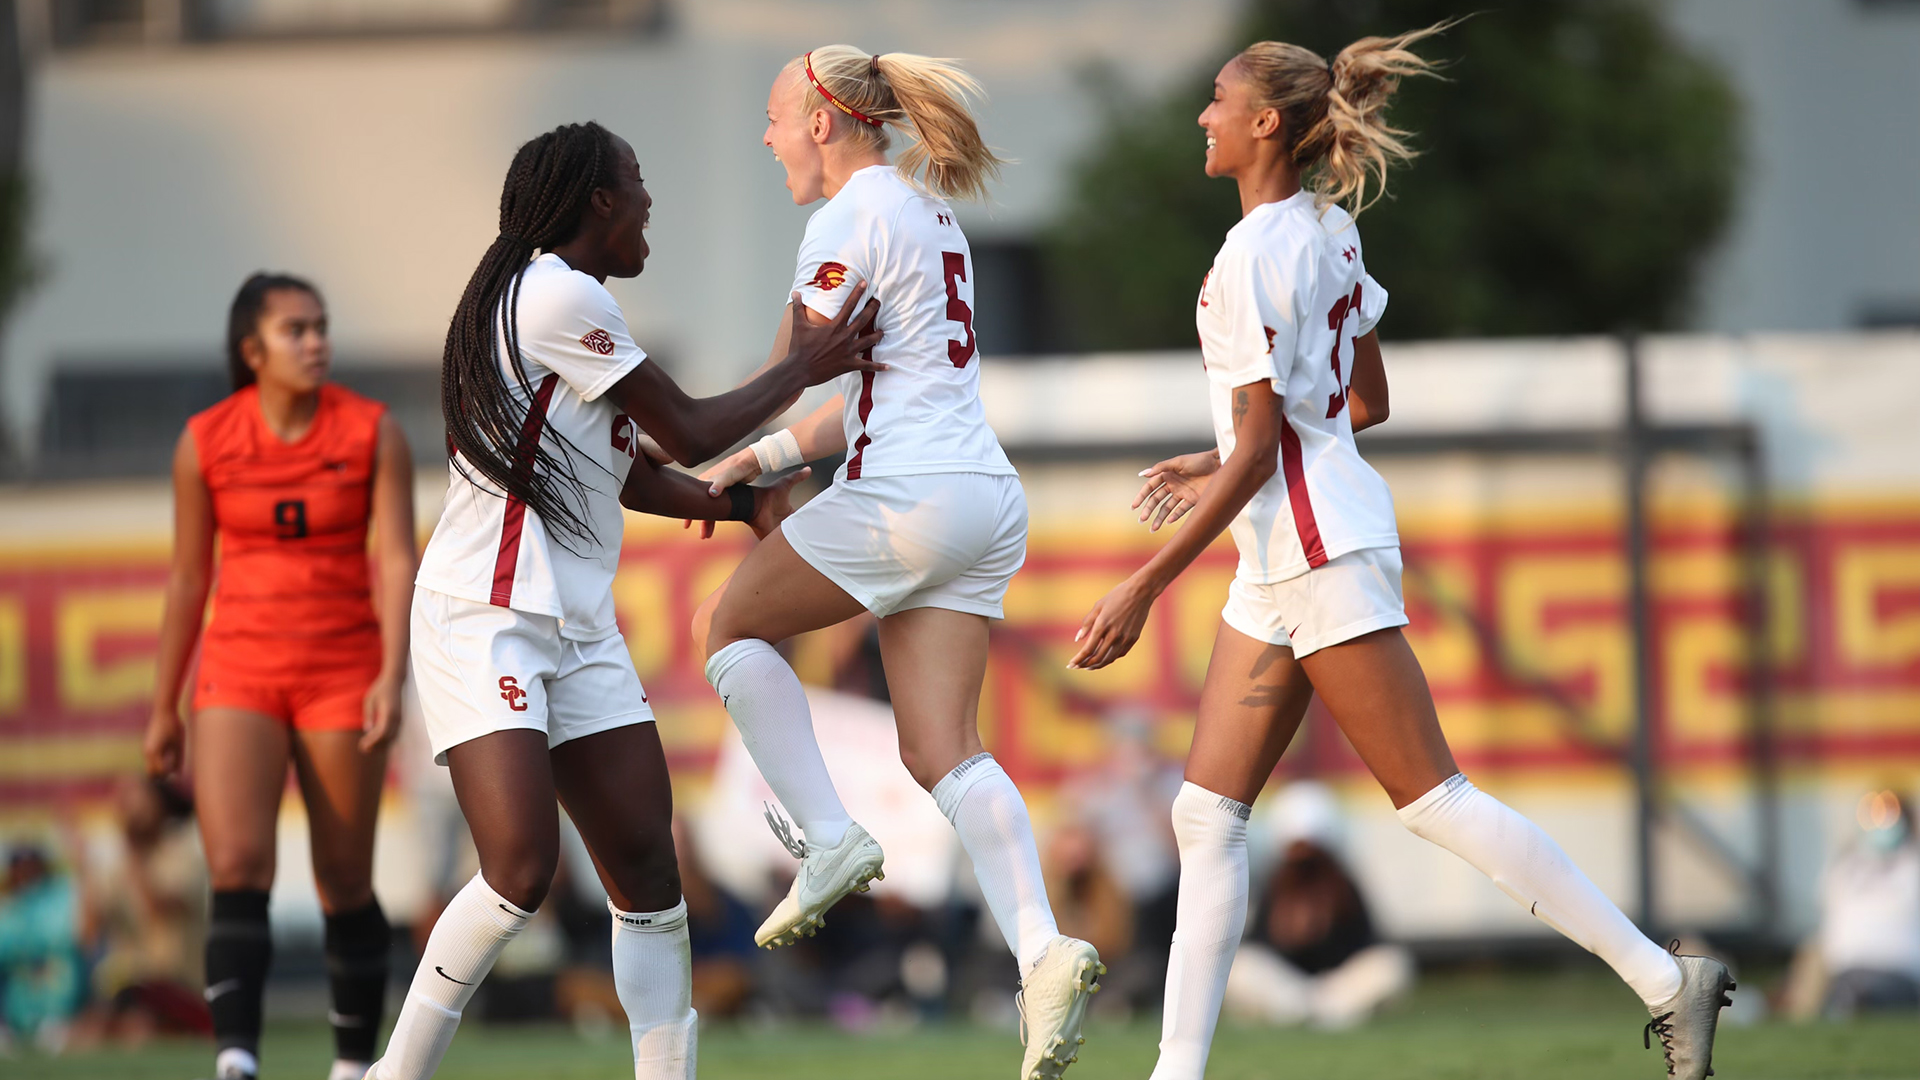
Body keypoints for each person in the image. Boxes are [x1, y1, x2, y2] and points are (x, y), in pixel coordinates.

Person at [1065, 27, 1736, 1080]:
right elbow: (1361, 402)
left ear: (1265, 123)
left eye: (1215, 98)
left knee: (1433, 800)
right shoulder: (1328, 228)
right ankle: (1175, 1074)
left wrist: (1144, 582)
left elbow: (1267, 452)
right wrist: (1221, 454)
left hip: (1313, 546)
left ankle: (1665, 979)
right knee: (1205, 813)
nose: (1202, 115)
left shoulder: (1253, 253)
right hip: (1288, 547)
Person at [368, 120, 881, 1080]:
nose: (651, 203)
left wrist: (735, 508)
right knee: (519, 871)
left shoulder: (568, 301)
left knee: (648, 874)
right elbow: (686, 429)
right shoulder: (552, 294)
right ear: (598, 201)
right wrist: (804, 369)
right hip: (486, 619)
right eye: (637, 183)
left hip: (575, 626)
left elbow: (632, 471)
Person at [689, 45, 1103, 1080]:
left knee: (731, 629)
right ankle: (1042, 951)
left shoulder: (846, 217)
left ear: (825, 120)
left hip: (909, 497)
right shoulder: (927, 212)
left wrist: (680, 440)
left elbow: (793, 366)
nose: (770, 135)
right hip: (979, 498)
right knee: (942, 750)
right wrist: (755, 459)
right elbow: (854, 398)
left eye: (779, 116)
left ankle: (828, 836)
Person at [144, 272, 416, 1080]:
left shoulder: (373, 432)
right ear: (250, 349)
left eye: (321, 326)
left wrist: (390, 675)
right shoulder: (205, 441)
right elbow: (189, 579)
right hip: (239, 670)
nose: (315, 341)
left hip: (343, 669)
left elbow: (396, 558)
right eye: (295, 329)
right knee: (237, 866)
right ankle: (237, 1059)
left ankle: (351, 1066)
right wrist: (165, 707)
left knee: (343, 877)